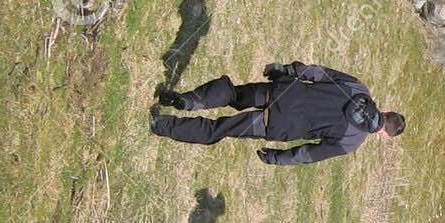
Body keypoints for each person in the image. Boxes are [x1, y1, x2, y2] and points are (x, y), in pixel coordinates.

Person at [149, 61, 404, 165]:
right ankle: (160, 124)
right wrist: (276, 158)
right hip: (273, 124)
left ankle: (189, 100)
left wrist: (287, 69)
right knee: (218, 130)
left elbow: (317, 73)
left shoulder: (358, 88)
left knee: (233, 94)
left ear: (386, 110)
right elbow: (308, 153)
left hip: (280, 91)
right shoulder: (351, 142)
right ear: (383, 134)